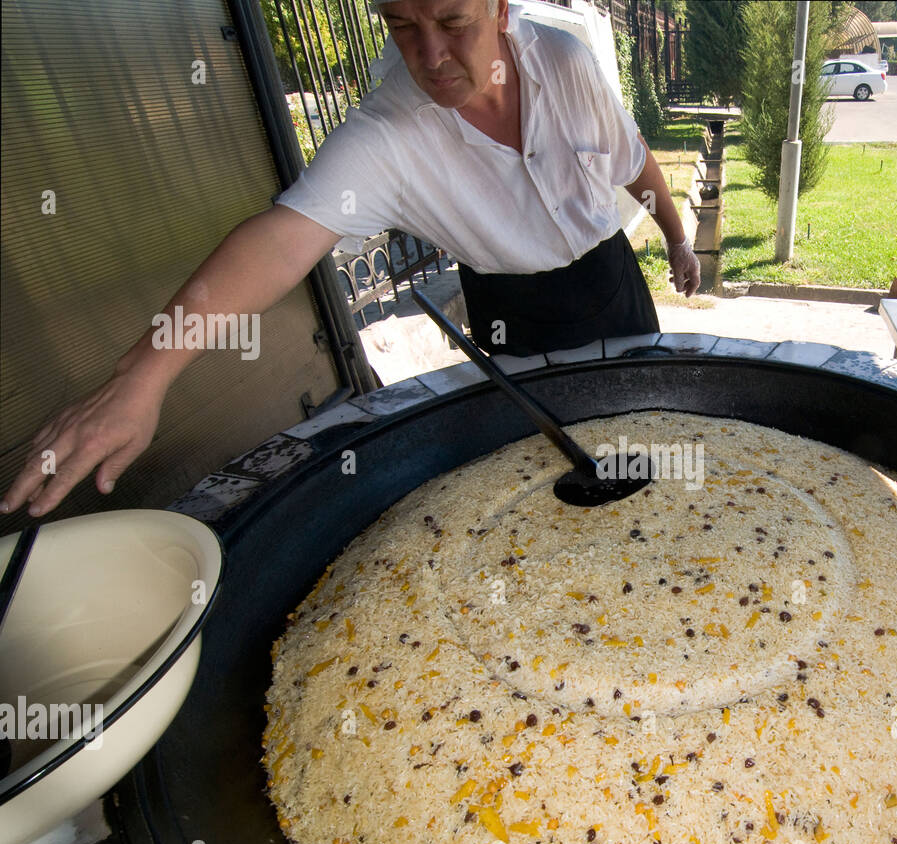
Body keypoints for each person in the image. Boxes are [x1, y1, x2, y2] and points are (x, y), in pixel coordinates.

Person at [1, 0, 698, 518]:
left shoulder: (565, 63)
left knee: (650, 456)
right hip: (509, 311)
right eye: (401, 24)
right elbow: (279, 240)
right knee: (543, 484)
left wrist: (674, 237)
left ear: (500, 7)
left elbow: (633, 161)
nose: (429, 56)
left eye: (453, 22)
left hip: (611, 281)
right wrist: (142, 379)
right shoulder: (388, 133)